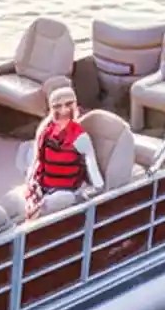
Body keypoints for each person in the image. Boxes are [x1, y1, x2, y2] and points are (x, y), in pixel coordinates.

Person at [23, 86, 105, 220]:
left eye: (69, 104)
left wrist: (92, 192)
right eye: (57, 106)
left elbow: (96, 177)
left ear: (76, 106)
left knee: (46, 206)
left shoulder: (80, 138)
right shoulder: (45, 131)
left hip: (67, 191)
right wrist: (31, 184)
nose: (64, 110)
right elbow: (36, 161)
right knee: (23, 203)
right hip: (43, 185)